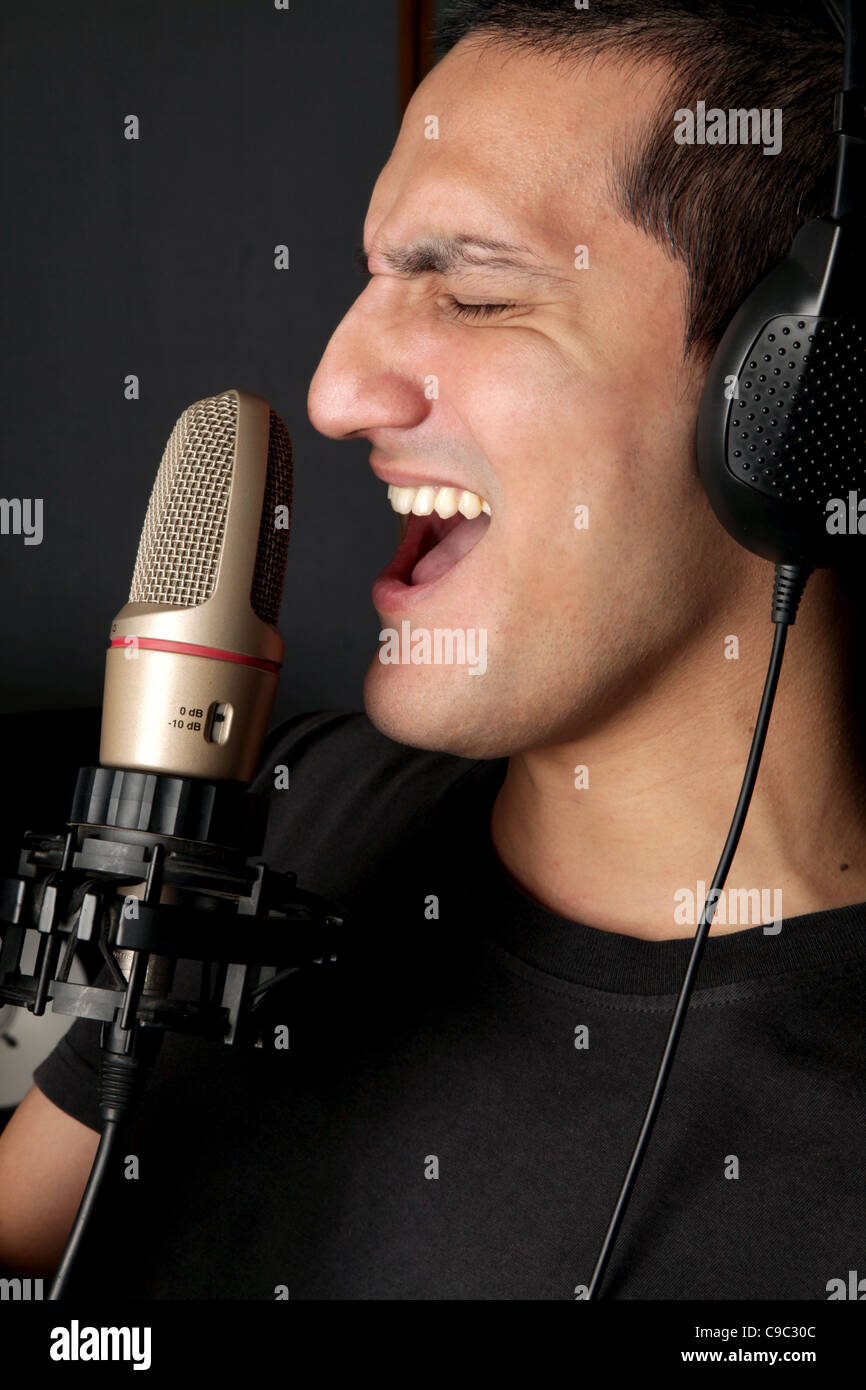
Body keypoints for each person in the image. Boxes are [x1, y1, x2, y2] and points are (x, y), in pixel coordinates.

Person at [2, 0, 865, 1300]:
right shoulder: (289, 812)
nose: (337, 391)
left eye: (474, 291)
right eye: (377, 276)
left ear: (794, 392)